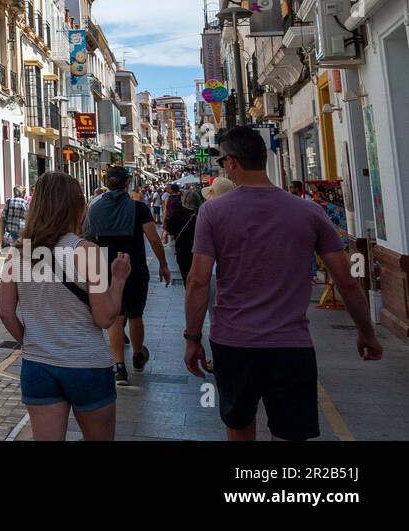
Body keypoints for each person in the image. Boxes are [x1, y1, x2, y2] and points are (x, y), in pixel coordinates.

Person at [184, 127, 383, 441]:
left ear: (232, 162)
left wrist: (193, 338)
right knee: (290, 433)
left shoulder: (212, 212)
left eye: (222, 161)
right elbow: (346, 280)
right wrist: (366, 331)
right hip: (291, 344)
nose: (223, 167)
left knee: (239, 427)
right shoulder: (309, 211)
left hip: (233, 343)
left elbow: (198, 281)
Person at [0, 171, 132, 441]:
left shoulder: (17, 252)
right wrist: (118, 280)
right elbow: (105, 317)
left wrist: (31, 341)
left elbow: (5, 312)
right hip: (87, 365)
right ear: (75, 207)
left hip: (38, 366)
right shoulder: (86, 251)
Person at [83, 166, 170, 386]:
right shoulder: (138, 208)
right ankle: (138, 356)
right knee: (135, 314)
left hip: (106, 268)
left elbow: (88, 239)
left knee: (116, 317)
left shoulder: (94, 208)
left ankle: (119, 367)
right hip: (134, 267)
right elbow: (153, 238)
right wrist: (163, 264)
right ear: (127, 182)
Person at [163, 185, 203, 282]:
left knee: (186, 276)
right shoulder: (204, 214)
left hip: (183, 250)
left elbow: (170, 231)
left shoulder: (177, 215)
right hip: (201, 251)